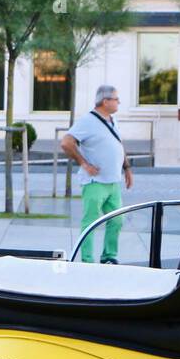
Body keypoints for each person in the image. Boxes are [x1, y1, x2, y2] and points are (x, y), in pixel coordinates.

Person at [61, 84, 132, 264]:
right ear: (105, 101)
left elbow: (119, 145)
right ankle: (87, 260)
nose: (119, 102)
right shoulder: (88, 121)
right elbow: (67, 143)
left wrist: (127, 169)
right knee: (91, 222)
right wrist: (84, 163)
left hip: (113, 182)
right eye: (116, 99)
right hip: (95, 182)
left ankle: (109, 256)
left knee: (117, 220)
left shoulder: (112, 120)